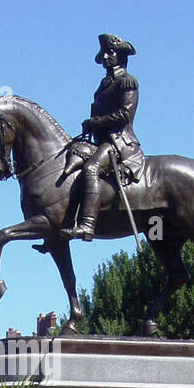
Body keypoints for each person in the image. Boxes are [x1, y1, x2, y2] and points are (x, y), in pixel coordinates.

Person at [63, 33, 145, 241]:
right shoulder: (105, 83)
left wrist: (95, 122)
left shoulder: (127, 82)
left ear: (121, 55)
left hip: (119, 142)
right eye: (104, 53)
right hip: (102, 141)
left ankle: (87, 226)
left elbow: (125, 115)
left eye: (111, 53)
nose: (106, 57)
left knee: (91, 169)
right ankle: (61, 225)